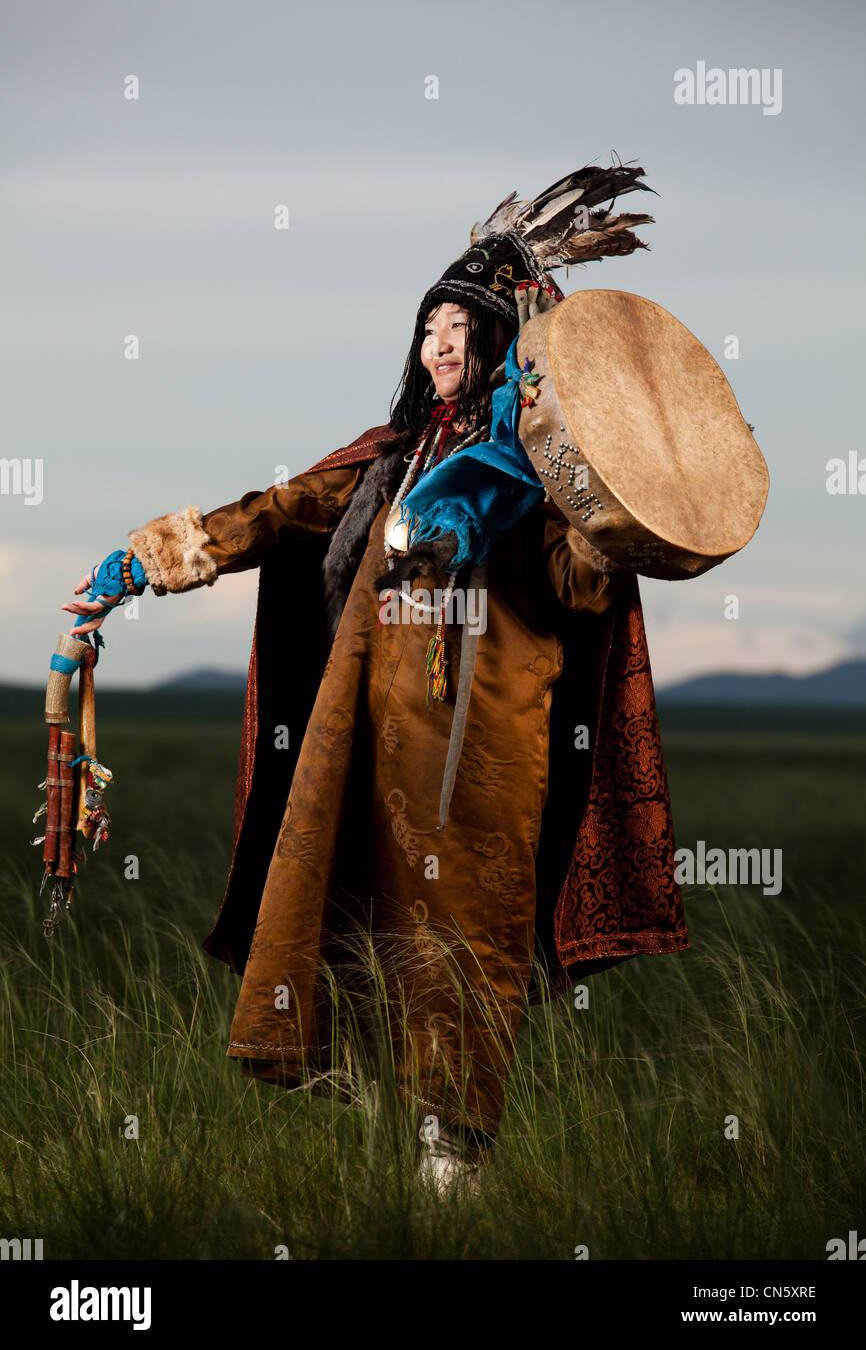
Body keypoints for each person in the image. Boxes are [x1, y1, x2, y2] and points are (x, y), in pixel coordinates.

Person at [63, 160, 690, 1191]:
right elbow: (271, 511)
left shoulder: (538, 478)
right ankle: (378, 1172)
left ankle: (456, 1171)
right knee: (345, 928)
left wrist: (601, 522)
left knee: (467, 950)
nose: (439, 345)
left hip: (483, 764)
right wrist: (139, 566)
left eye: (461, 330)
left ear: (497, 345)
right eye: (429, 328)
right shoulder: (388, 461)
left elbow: (581, 594)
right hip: (358, 754)